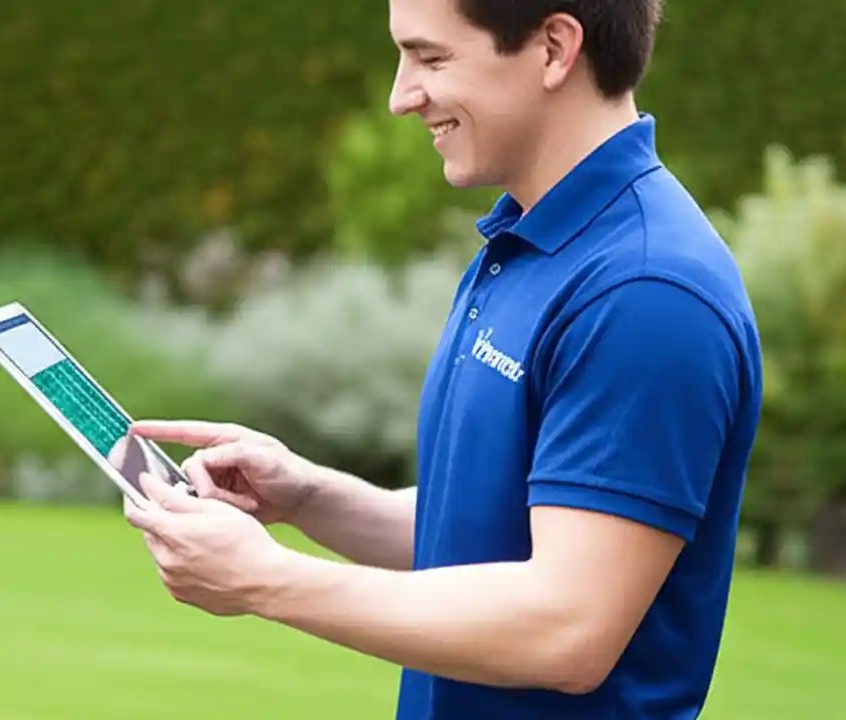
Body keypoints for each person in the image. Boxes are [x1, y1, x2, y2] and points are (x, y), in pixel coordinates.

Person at [119, 0, 763, 717]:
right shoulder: (527, 243)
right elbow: (493, 530)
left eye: (431, 58)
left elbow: (567, 627)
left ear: (553, 48)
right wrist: (306, 497)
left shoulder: (646, 292)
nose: (400, 97)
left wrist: (265, 579)